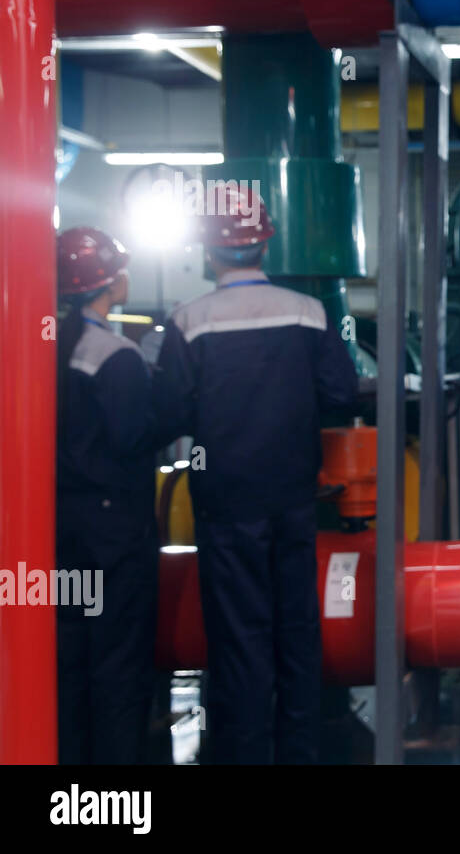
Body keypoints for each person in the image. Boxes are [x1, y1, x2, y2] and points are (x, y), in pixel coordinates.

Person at [154, 186, 358, 763]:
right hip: (293, 498)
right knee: (296, 628)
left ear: (207, 250)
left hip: (225, 505)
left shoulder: (188, 322)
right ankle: (300, 753)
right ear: (266, 243)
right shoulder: (308, 312)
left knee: (238, 636)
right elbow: (341, 393)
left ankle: (245, 754)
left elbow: (167, 414)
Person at [54, 226, 160, 764]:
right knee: (117, 660)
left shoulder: (44, 348)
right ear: (109, 282)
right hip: (115, 531)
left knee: (67, 657)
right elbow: (132, 439)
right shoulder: (115, 356)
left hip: (62, 528)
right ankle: (111, 795)